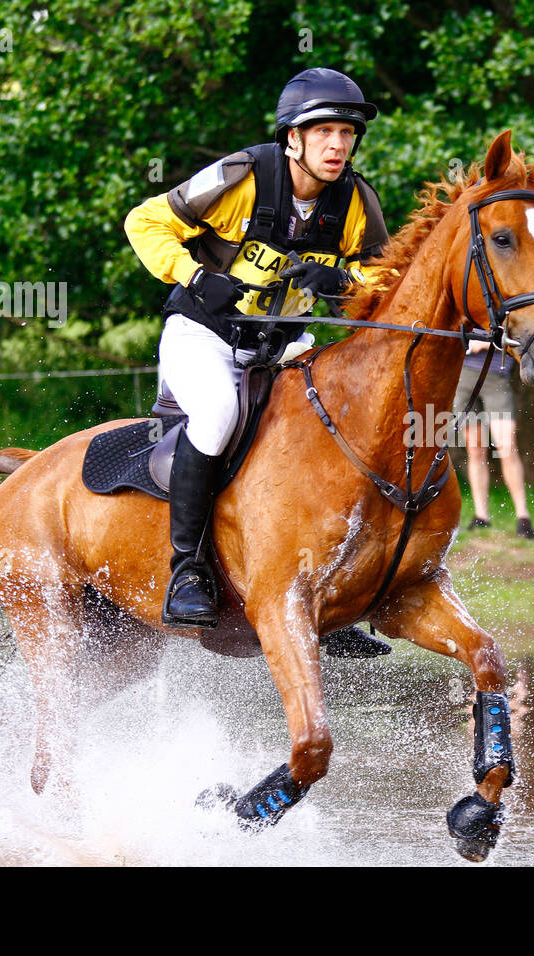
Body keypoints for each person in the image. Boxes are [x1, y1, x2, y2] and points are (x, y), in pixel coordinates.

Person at [124, 68, 391, 649]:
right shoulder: (241, 176)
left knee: (331, 431)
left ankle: (329, 593)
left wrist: (343, 280)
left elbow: (382, 279)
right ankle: (187, 571)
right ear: (291, 138)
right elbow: (143, 221)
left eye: (346, 133)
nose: (337, 145)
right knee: (218, 415)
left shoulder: (355, 201)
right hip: (205, 336)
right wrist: (194, 276)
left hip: (285, 345)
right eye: (323, 131)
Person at [454, 339, 534, 539]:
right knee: (475, 450)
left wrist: (484, 342)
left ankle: (523, 517)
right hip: (463, 376)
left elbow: (520, 337)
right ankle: (481, 516)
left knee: (507, 448)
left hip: (496, 378)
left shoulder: (506, 308)